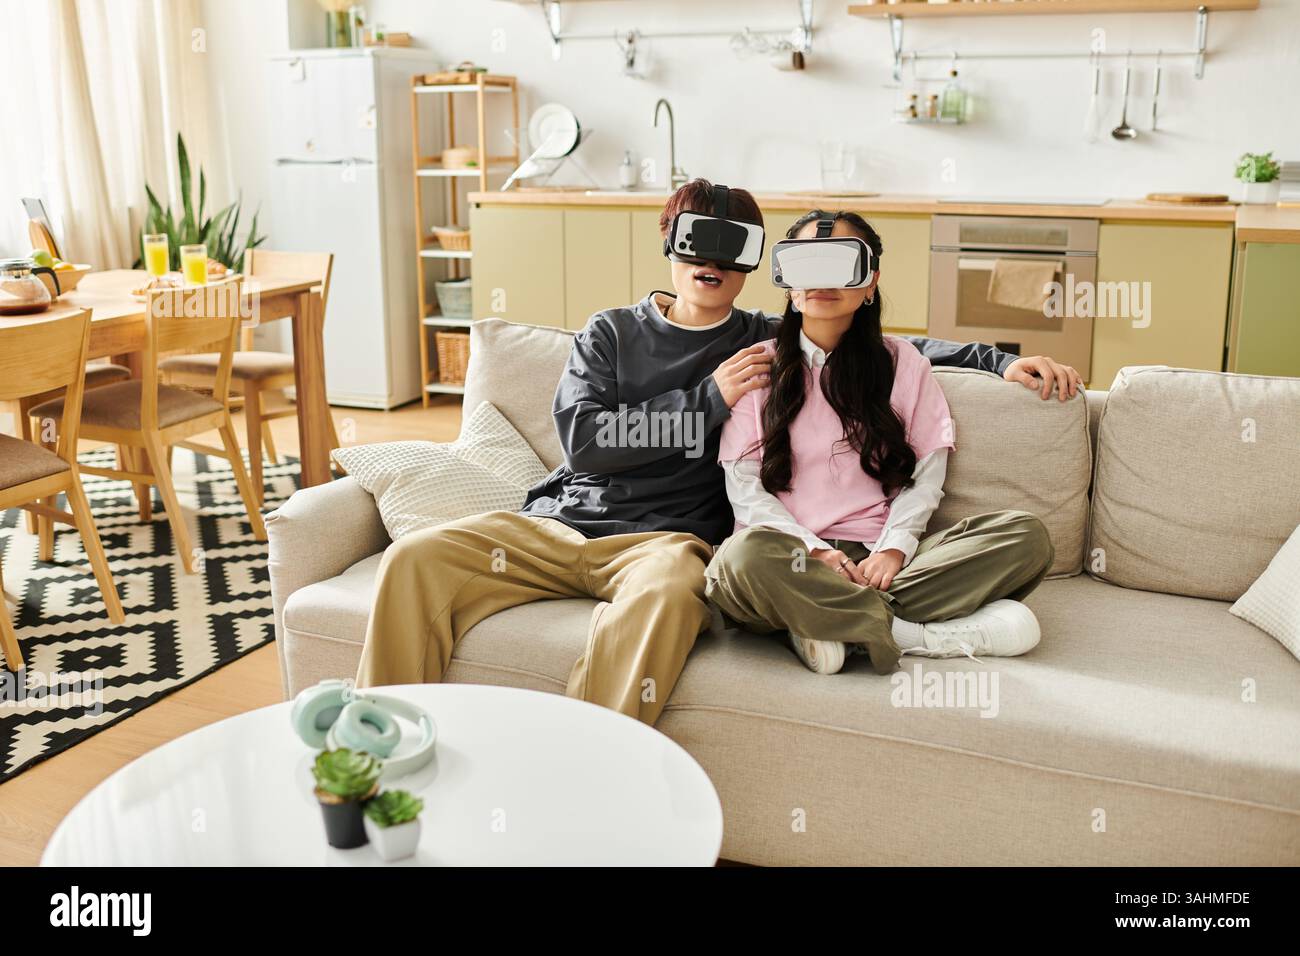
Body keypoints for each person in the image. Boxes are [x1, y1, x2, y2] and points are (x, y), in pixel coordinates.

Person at [355, 180, 1079, 724]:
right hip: (555, 526)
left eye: (734, 248)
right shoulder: (608, 333)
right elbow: (586, 443)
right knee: (416, 557)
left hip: (665, 543)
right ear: (670, 244)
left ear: (755, 267)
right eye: (698, 240)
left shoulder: (763, 339)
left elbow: (886, 343)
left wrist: (995, 358)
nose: (712, 259)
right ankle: (377, 750)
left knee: (673, 596)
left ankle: (585, 761)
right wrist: (705, 401)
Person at [707, 210, 1055, 676]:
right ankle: (908, 633)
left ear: (870, 283)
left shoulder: (904, 363)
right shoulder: (757, 366)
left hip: (876, 558)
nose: (822, 281)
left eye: (841, 264)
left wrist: (893, 548)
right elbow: (745, 490)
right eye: (809, 265)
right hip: (786, 558)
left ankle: (822, 623)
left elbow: (925, 475)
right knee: (738, 559)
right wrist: (814, 552)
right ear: (789, 284)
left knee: (1023, 536)